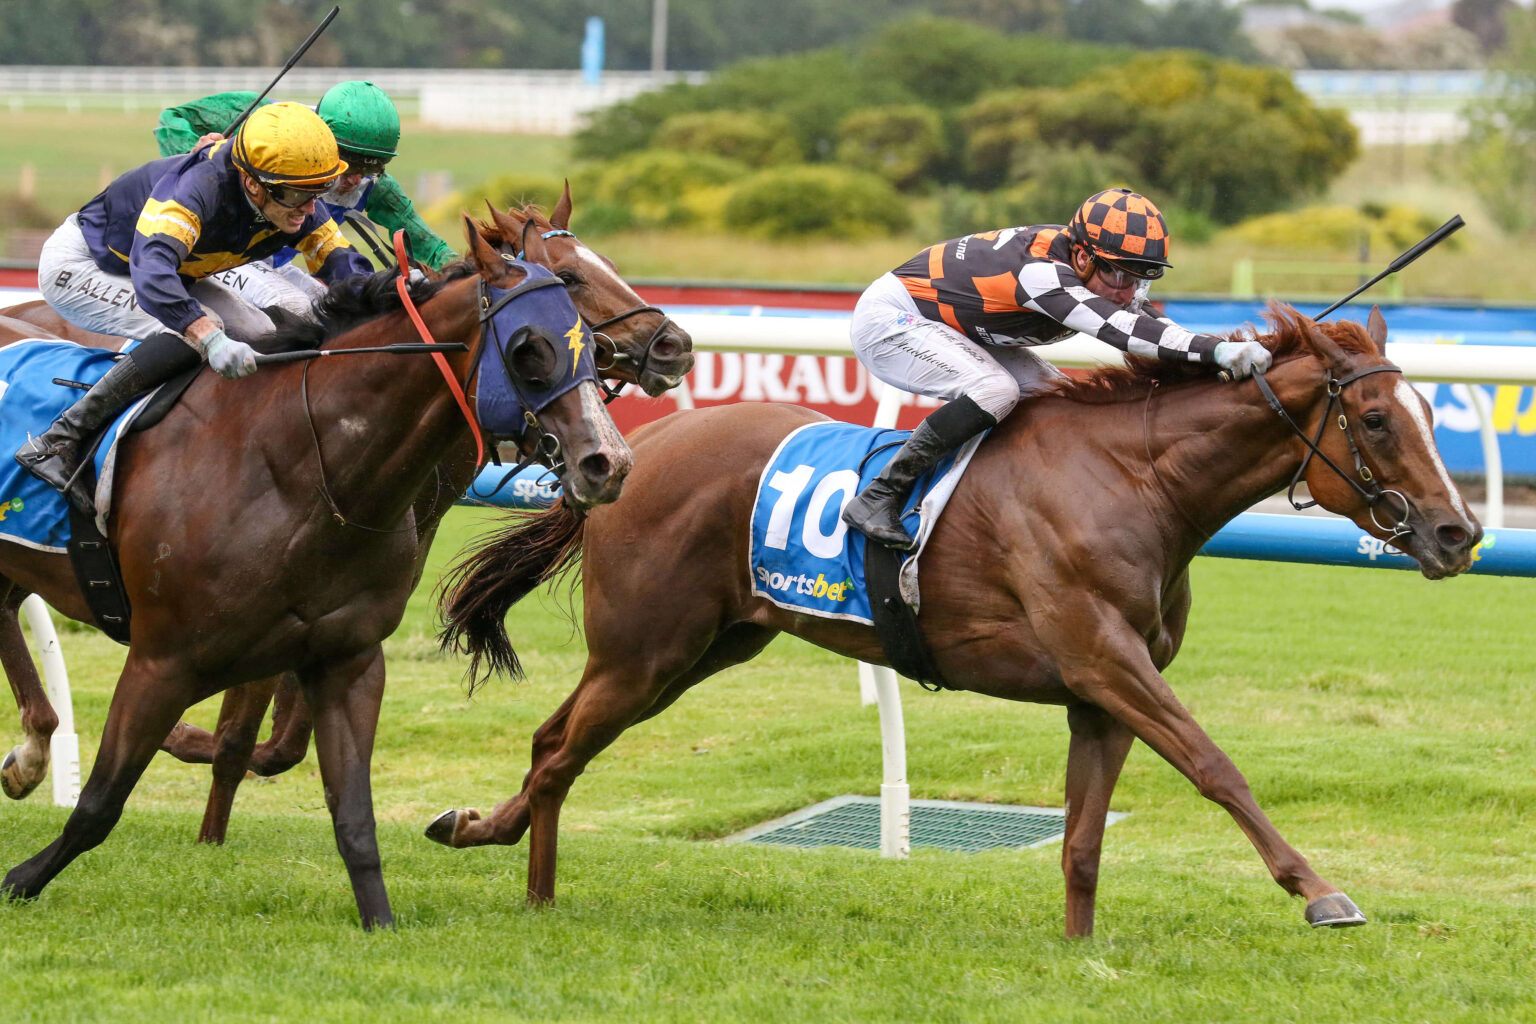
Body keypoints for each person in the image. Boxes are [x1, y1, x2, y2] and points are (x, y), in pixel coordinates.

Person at [840, 187, 1273, 551]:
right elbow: (1119, 329)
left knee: (1058, 401)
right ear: (1083, 256)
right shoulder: (1042, 274)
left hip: (954, 323)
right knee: (995, 390)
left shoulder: (1097, 266)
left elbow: (1148, 322)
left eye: (1142, 279)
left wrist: (1215, 357)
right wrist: (1214, 351)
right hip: (893, 319)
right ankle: (881, 495)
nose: (1128, 292)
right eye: (1121, 277)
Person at [18, 101, 374, 513]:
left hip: (173, 271)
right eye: (297, 195)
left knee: (259, 334)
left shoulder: (293, 192)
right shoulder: (195, 190)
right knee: (193, 331)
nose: (310, 209)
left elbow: (340, 262)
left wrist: (391, 295)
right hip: (86, 266)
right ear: (253, 184)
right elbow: (152, 271)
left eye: (319, 192)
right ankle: (59, 440)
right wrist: (205, 333)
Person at [157, 79, 457, 289]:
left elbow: (428, 245)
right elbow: (172, 119)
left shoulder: (375, 186)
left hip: (267, 266)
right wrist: (204, 159)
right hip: (198, 259)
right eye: (347, 161)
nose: (355, 178)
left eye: (372, 167)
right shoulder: (264, 119)